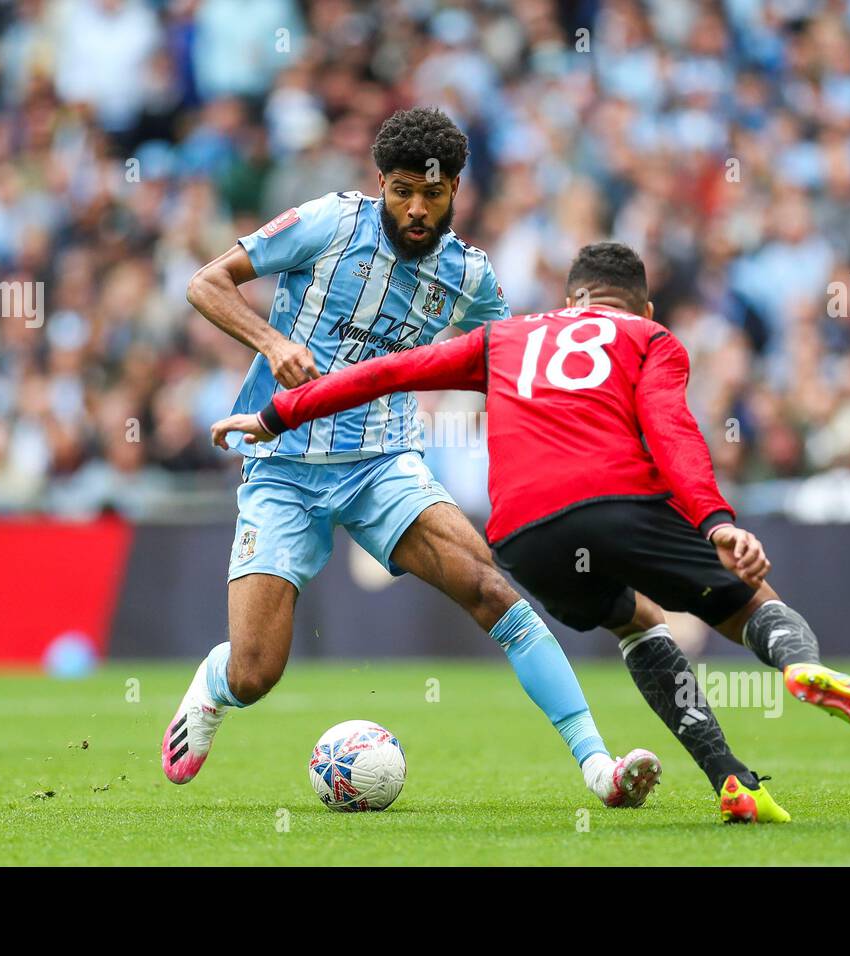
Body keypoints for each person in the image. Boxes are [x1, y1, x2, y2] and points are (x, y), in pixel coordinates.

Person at [212, 241, 850, 823]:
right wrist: (716, 522)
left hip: (523, 534)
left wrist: (277, 414)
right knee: (749, 604)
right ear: (643, 307)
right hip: (618, 503)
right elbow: (673, 434)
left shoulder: (504, 336)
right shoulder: (650, 338)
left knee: (637, 621)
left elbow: (389, 372)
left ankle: (732, 778)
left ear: (573, 299)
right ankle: (797, 664)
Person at [163, 111, 658, 808]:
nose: (416, 209)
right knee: (255, 672)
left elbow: (510, 375)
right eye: (401, 192)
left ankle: (598, 768)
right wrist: (274, 344)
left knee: (491, 590)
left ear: (457, 187)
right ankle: (214, 686)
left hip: (383, 463)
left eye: (431, 193)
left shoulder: (470, 275)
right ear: (381, 185)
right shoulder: (327, 223)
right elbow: (206, 283)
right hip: (283, 463)